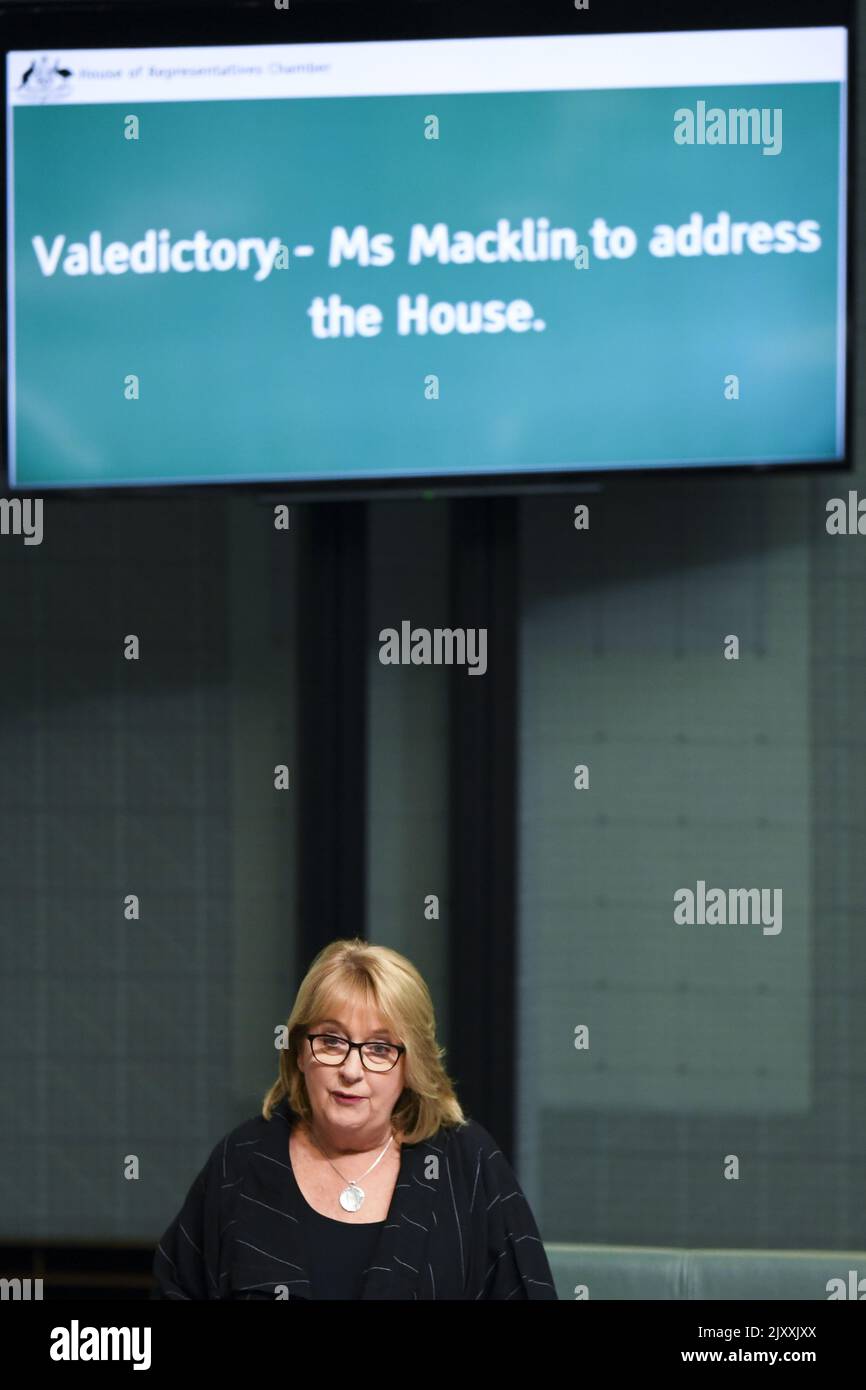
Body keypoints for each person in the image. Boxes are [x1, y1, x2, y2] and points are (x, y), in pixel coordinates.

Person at [151, 937, 557, 1300]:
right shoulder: (240, 1162)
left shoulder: (468, 1166)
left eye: (379, 1049)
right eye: (331, 1040)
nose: (351, 1069)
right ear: (300, 1051)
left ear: (411, 1067)